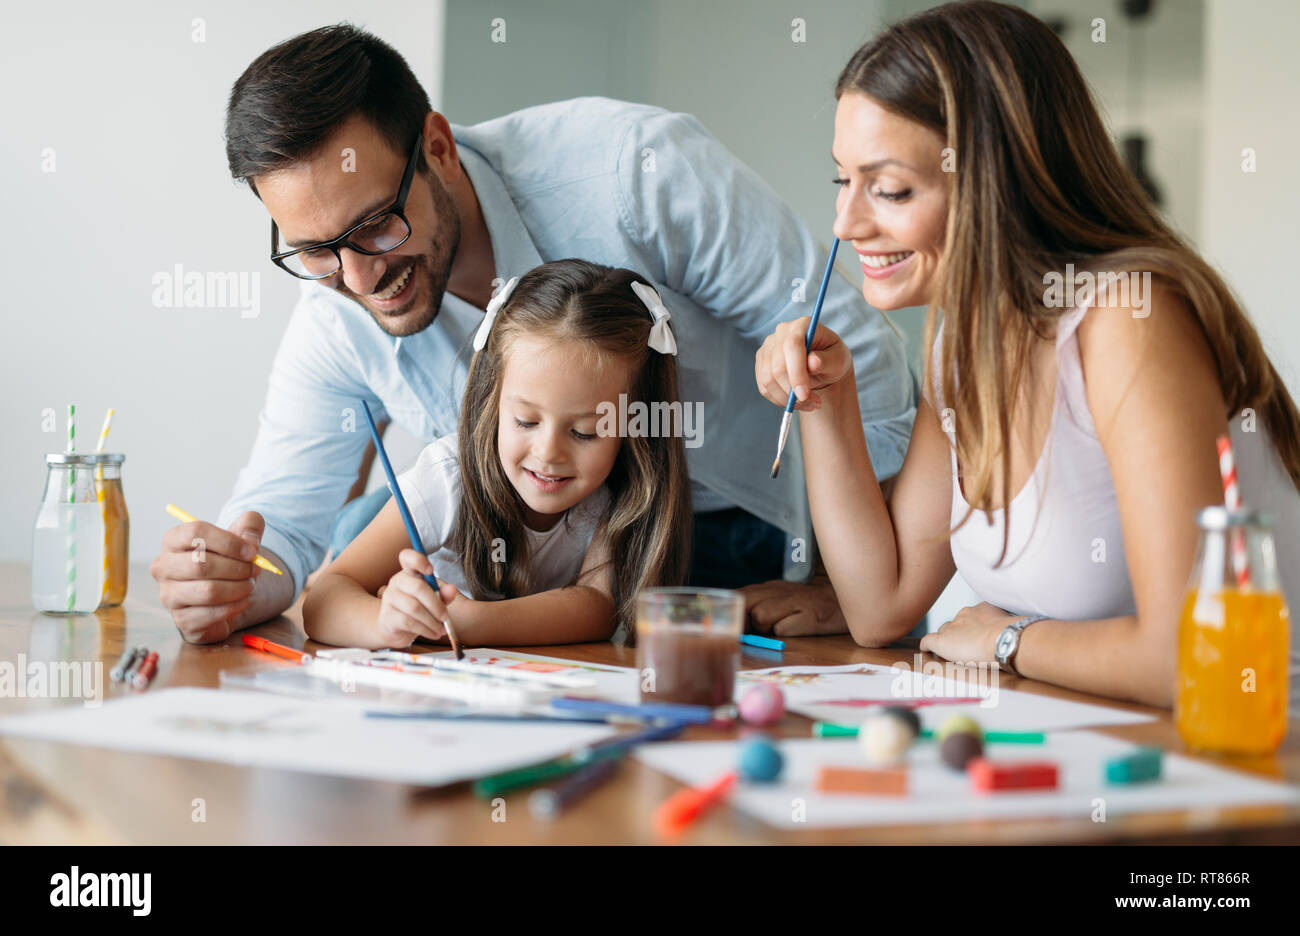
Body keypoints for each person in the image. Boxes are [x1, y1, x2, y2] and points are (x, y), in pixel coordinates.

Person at [149, 24, 917, 643]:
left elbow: (867, 371)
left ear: (439, 148)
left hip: (757, 526)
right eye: (315, 250)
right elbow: (284, 525)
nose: (356, 280)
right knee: (367, 523)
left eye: (375, 226)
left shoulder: (634, 175)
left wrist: (848, 586)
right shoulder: (335, 311)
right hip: (533, 574)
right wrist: (232, 579)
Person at [754, 0, 1300, 707]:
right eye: (844, 180)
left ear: (993, 179)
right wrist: (825, 402)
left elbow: (1189, 654)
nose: (846, 222)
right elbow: (881, 605)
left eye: (889, 188)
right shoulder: (966, 336)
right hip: (1111, 743)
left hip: (1255, 758)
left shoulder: (1128, 320)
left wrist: (1010, 640)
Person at [303, 260, 691, 649]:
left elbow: (594, 608)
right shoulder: (445, 476)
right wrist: (383, 624)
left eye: (584, 432)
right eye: (525, 421)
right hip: (378, 528)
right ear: (494, 401)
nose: (548, 452)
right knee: (353, 527)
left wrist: (473, 623)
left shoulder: (618, 492)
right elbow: (323, 600)